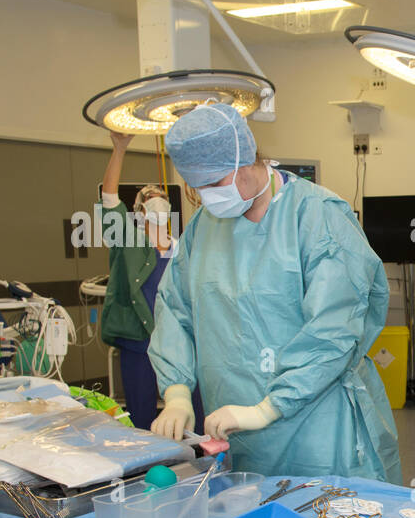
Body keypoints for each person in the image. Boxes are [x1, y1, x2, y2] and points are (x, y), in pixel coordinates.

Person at [149, 103, 401, 483]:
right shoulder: (204, 227)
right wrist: (178, 392)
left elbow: (334, 329)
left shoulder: (319, 217)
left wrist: (266, 409)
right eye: (196, 188)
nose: (206, 197)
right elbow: (176, 309)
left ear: (246, 160)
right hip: (234, 429)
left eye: (215, 183)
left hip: (318, 426)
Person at [98, 131, 205, 431]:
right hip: (138, 343)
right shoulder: (127, 242)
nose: (156, 201)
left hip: (181, 343)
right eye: (149, 199)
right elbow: (109, 199)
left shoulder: (182, 247)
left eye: (160, 198)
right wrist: (120, 148)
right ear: (138, 210)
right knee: (142, 416)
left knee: (193, 412)